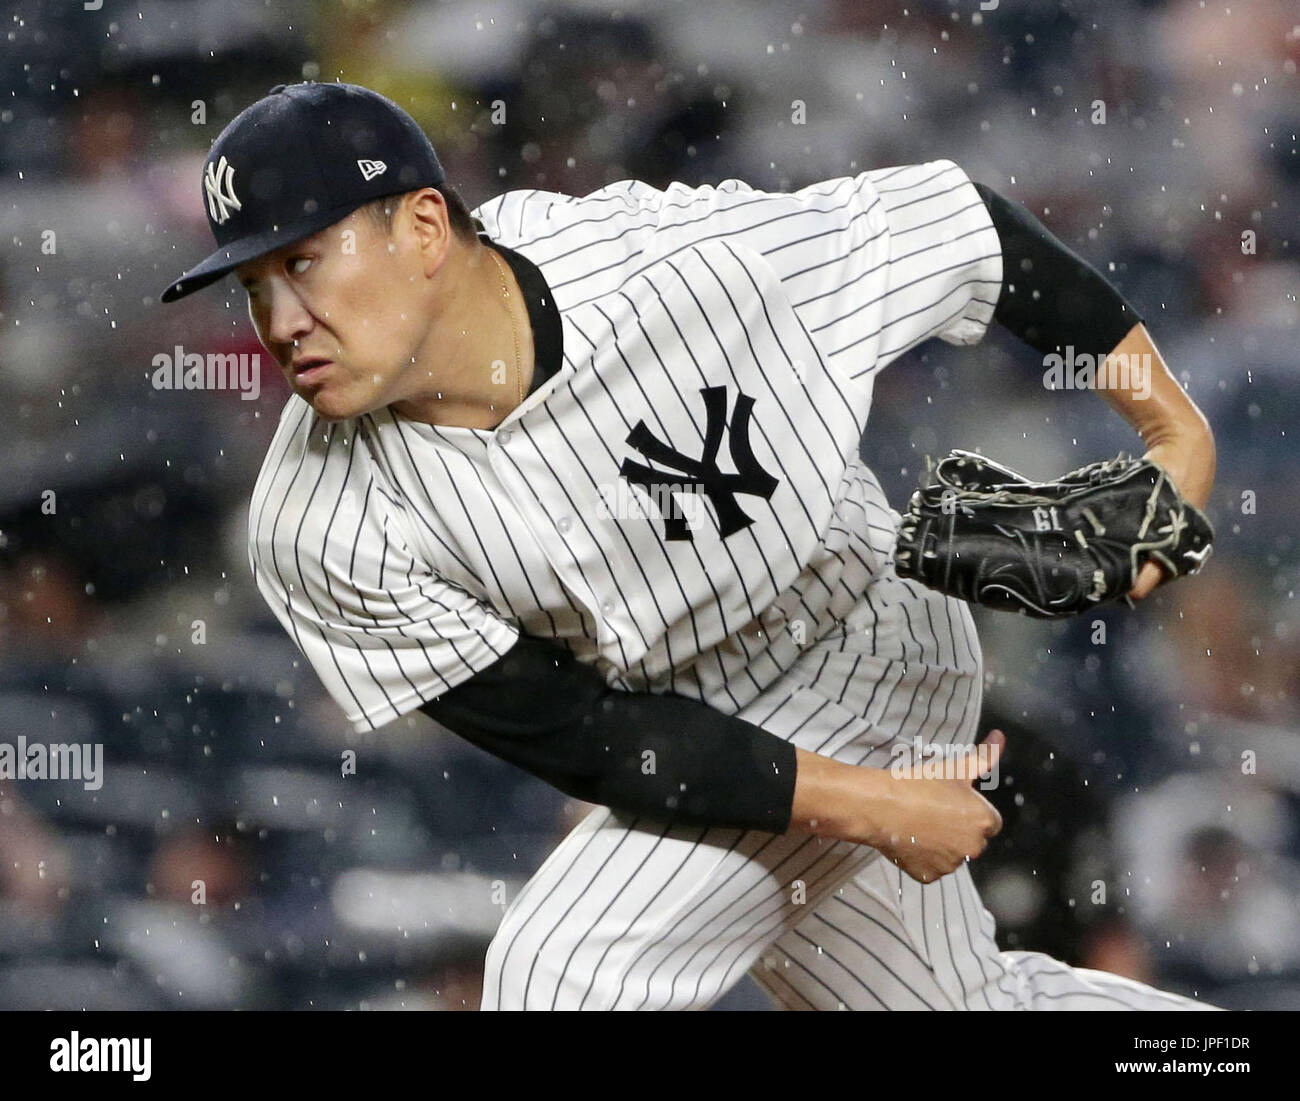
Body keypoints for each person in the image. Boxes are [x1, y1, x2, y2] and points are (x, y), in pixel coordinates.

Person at [162, 81, 1218, 1011]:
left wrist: (1176, 436)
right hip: (691, 729)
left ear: (426, 228)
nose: (280, 318)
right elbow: (587, 738)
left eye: (303, 262)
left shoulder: (670, 268)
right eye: (253, 287)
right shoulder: (314, 525)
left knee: (561, 973)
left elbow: (965, 231)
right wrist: (875, 806)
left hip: (859, 633)